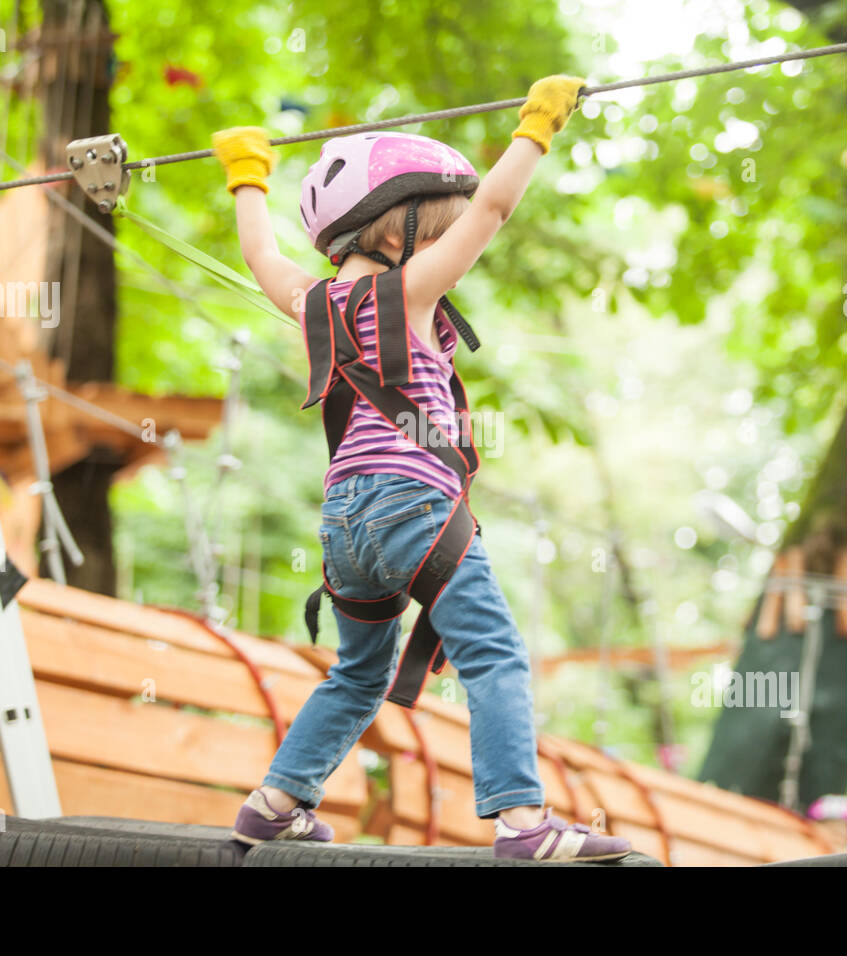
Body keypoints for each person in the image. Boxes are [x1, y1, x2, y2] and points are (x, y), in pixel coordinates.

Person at [212, 76, 631, 863]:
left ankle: (274, 804)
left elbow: (258, 249)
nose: (445, 248)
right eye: (432, 236)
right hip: (414, 502)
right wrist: (537, 125)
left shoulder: (308, 301)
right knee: (494, 654)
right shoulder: (410, 292)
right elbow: (493, 209)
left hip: (343, 522)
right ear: (399, 240)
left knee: (357, 673)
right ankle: (522, 823)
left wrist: (247, 173)